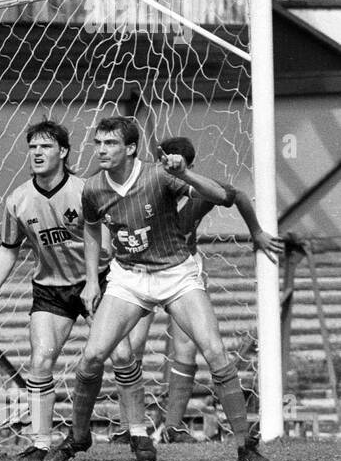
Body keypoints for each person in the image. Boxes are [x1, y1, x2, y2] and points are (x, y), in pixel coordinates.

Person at [49, 116, 269, 461]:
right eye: (99, 143)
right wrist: (92, 279)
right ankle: (78, 436)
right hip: (129, 278)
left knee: (214, 351)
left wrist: (184, 173)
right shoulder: (93, 188)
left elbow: (221, 195)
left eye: (111, 144)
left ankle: (245, 445)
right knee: (92, 357)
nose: (102, 150)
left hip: (176, 273)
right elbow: (91, 229)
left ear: (131, 148)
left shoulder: (160, 174)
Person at [106, 136, 282, 443]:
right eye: (165, 163)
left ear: (188, 166)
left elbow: (237, 195)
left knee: (187, 348)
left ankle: (173, 427)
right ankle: (129, 428)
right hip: (140, 273)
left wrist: (256, 233)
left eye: (177, 165)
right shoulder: (141, 186)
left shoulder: (198, 193)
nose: (170, 169)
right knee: (128, 347)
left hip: (181, 275)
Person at [0, 121, 117, 461]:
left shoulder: (85, 192)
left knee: (120, 356)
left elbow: (106, 242)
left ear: (63, 152)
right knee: (40, 361)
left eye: (45, 147)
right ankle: (40, 442)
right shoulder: (18, 200)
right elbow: (8, 249)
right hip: (51, 289)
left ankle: (137, 433)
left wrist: (100, 265)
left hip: (98, 282)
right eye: (33, 147)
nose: (37, 153)